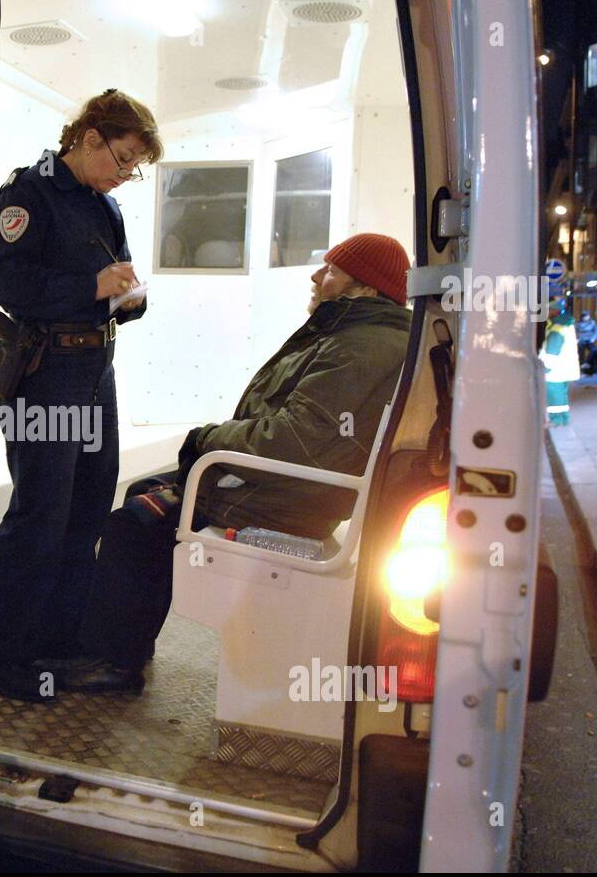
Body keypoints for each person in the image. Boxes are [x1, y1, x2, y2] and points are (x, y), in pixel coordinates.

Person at [42, 233, 413, 692]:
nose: (318, 276)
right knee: (148, 491)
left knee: (133, 524)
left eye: (333, 271)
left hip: (284, 499)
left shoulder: (357, 348)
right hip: (290, 487)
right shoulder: (358, 337)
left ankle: (109, 663)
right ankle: (127, 643)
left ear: (367, 289)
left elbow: (293, 441)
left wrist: (205, 439)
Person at [0, 89, 163, 701]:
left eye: (135, 166)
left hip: (94, 371)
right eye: (123, 158)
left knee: (85, 511)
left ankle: (54, 642)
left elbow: (115, 281)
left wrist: (127, 299)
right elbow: (3, 280)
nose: (125, 174)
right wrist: (90, 285)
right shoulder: (29, 193)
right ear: (89, 137)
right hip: (46, 372)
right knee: (39, 514)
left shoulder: (104, 208)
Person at [541, 305, 580, 425]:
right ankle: (564, 418)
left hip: (555, 369)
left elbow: (553, 348)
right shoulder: (565, 324)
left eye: (548, 310)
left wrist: (546, 366)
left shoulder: (557, 327)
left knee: (554, 397)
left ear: (554, 311)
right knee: (562, 396)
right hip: (565, 367)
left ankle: (556, 420)